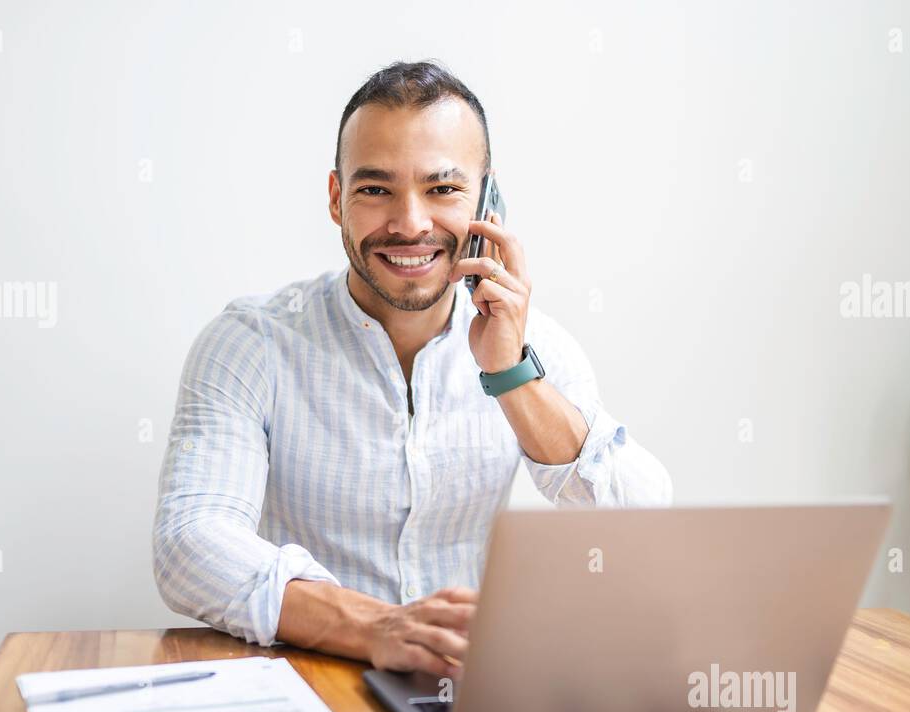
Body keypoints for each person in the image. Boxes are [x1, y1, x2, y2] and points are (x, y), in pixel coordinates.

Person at [152, 60, 672, 680]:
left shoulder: (536, 347)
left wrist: (510, 374)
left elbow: (639, 521)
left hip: (470, 690)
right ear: (335, 198)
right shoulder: (249, 344)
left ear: (488, 199)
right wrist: (375, 628)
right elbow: (190, 543)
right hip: (312, 684)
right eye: (375, 189)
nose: (410, 223)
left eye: (442, 189)